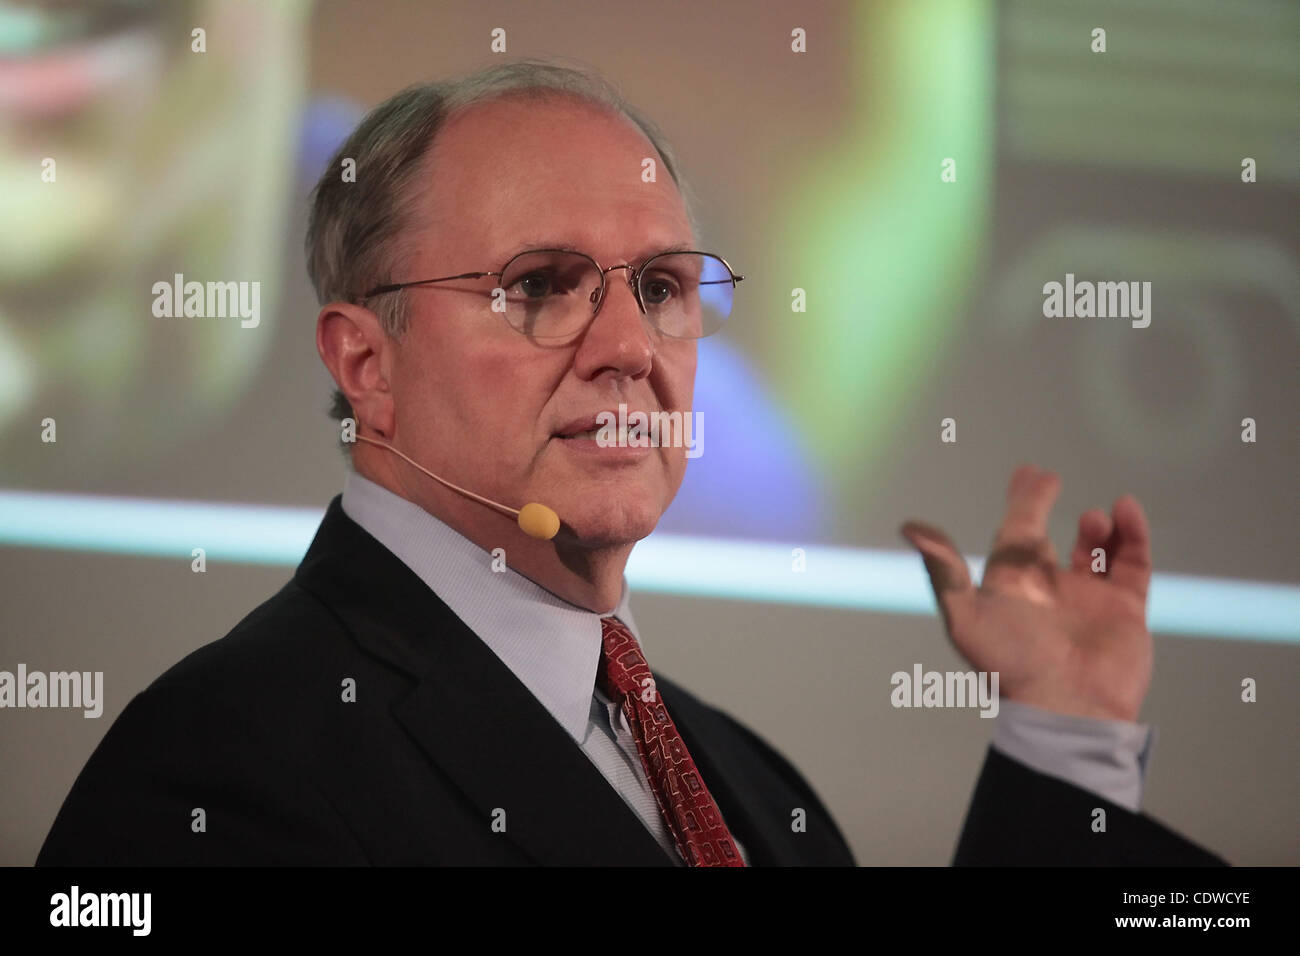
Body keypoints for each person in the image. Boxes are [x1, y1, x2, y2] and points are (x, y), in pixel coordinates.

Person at [37, 60, 1224, 866]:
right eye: (540, 286)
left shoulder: (748, 782)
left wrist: (1064, 734)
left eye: (660, 287)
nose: (628, 348)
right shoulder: (219, 771)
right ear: (366, 361)